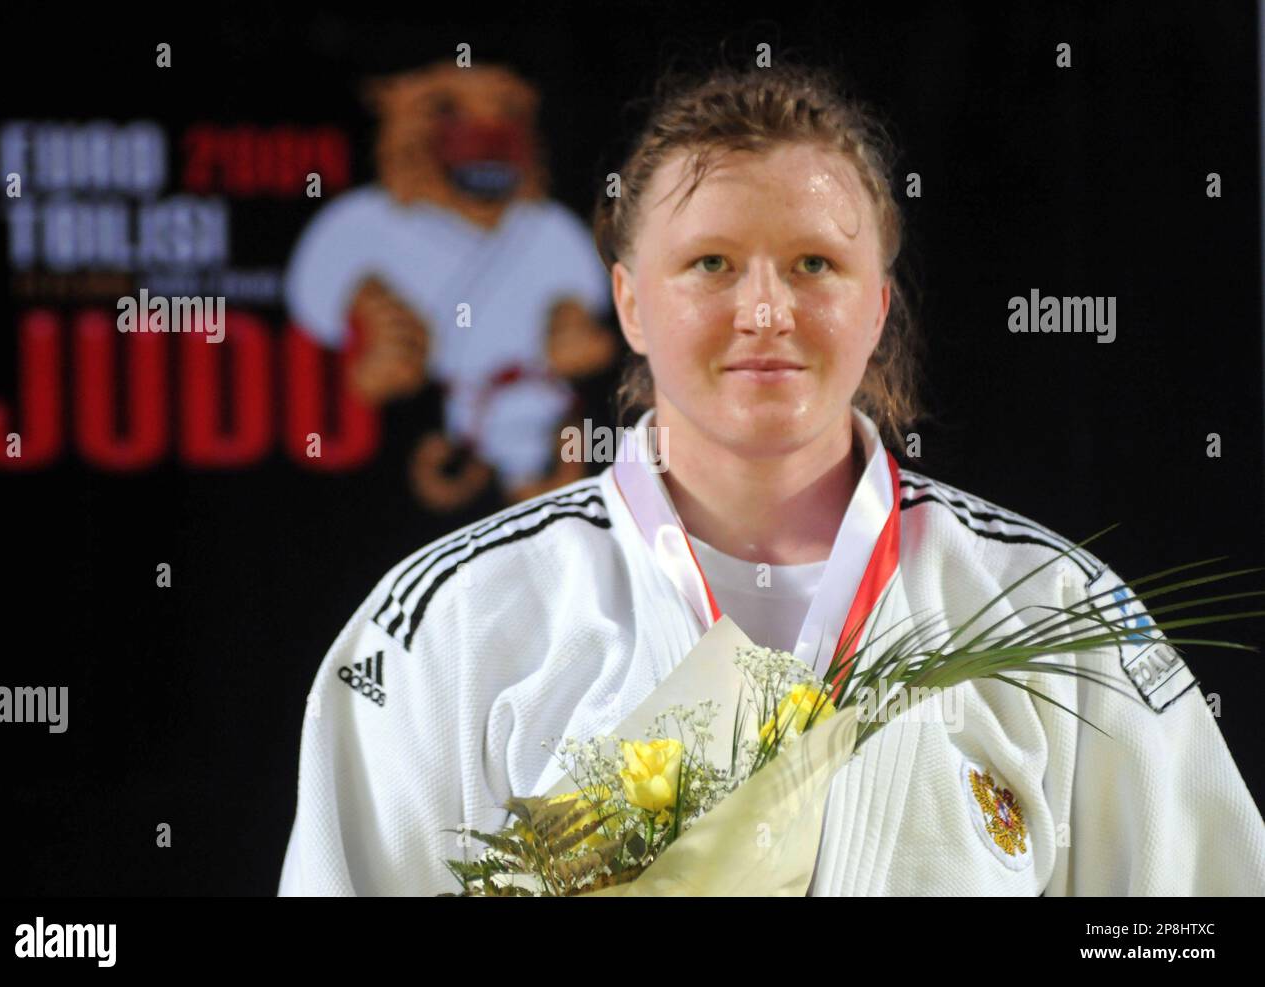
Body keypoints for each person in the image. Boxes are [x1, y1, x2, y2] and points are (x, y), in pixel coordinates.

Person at [277, 61, 1265, 896]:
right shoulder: (451, 623)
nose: (764, 311)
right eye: (709, 263)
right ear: (627, 301)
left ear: (877, 303)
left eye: (813, 265)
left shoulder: (1049, 610)